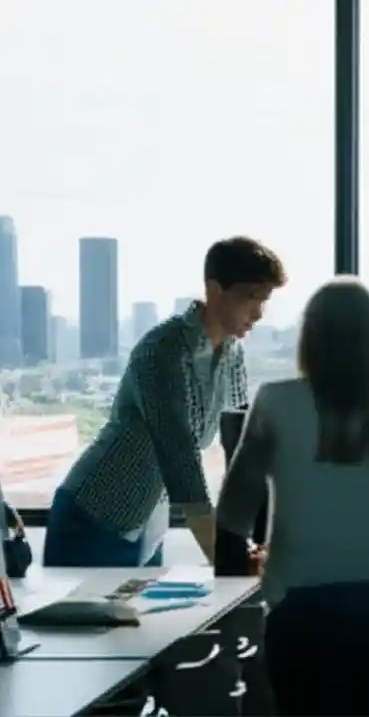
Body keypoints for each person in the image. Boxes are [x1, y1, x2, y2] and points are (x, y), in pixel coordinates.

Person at [216, 276, 369, 716]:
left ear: (310, 338)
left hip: (299, 619)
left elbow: (233, 513)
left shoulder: (275, 404)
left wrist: (248, 579)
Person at [44, 237, 285, 568]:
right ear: (215, 290)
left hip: (148, 528)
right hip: (93, 519)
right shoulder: (163, 350)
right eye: (251, 298)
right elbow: (179, 458)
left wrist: (246, 540)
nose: (258, 314)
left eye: (265, 301)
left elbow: (240, 444)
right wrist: (225, 558)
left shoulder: (232, 354)